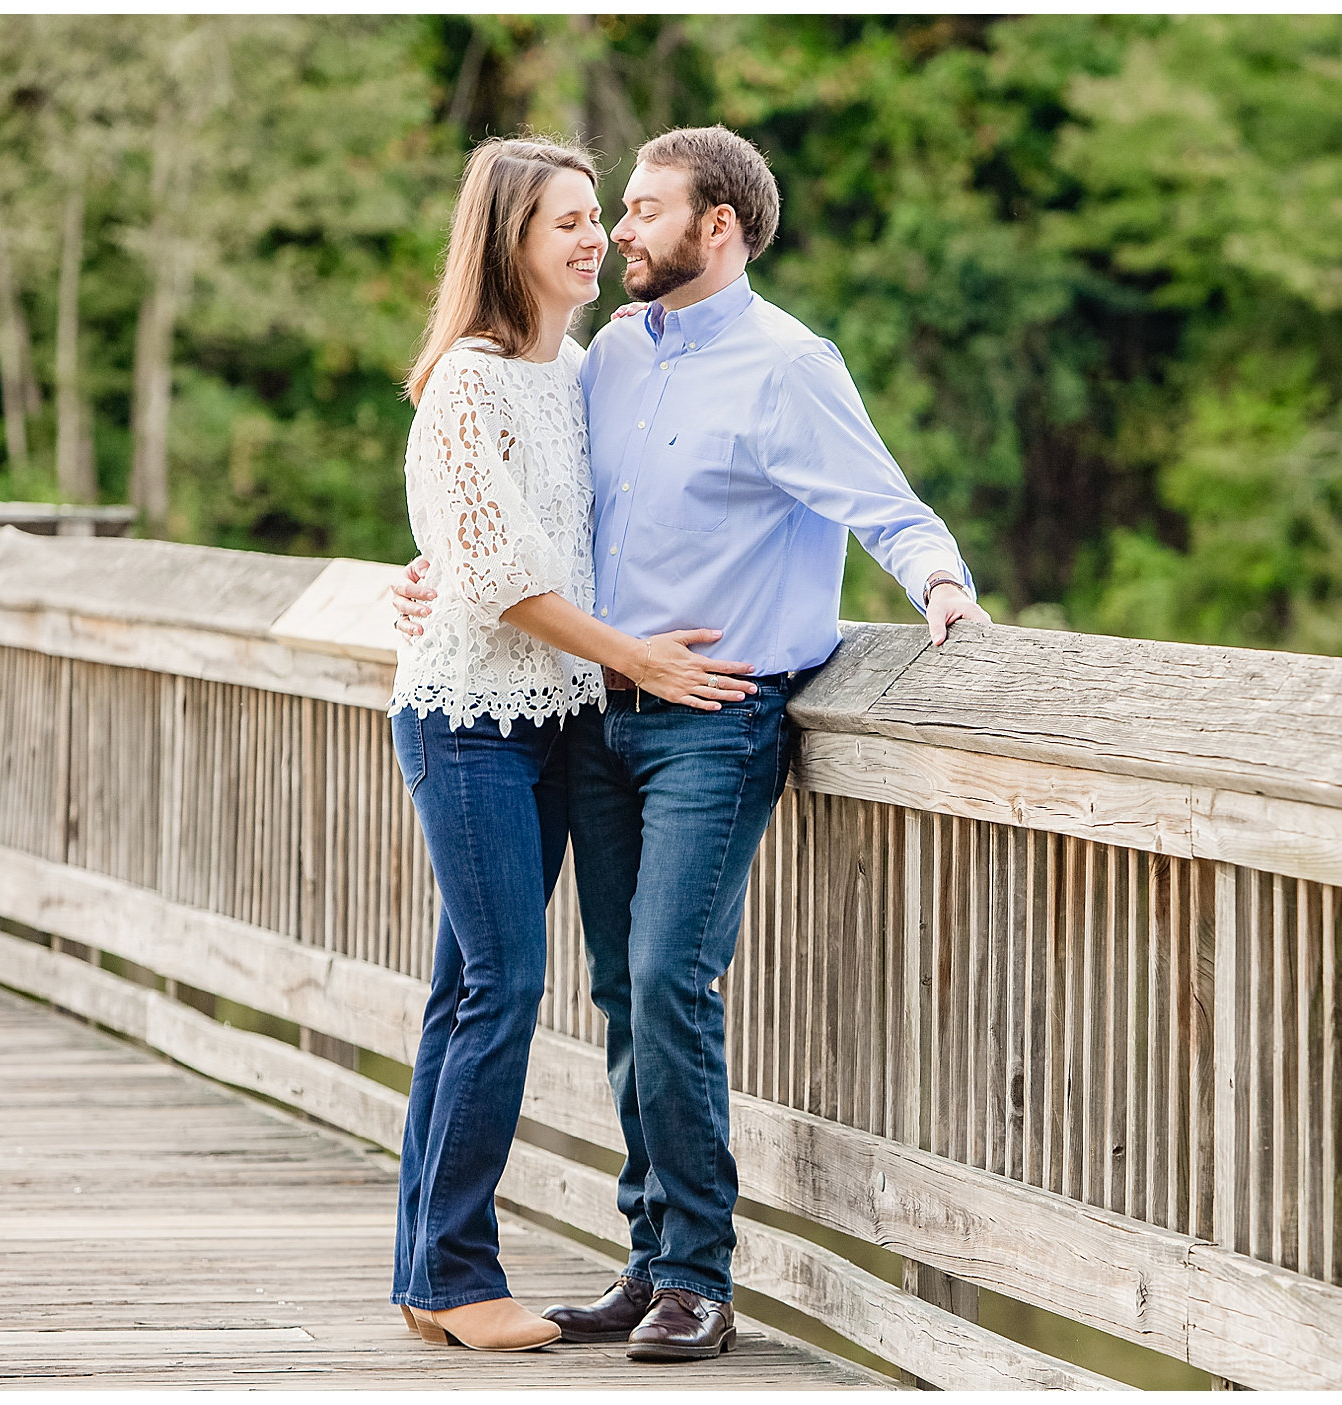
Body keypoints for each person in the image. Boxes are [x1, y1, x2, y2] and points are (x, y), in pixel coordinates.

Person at [394, 124, 988, 1363]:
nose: (618, 229)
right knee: (618, 988)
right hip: (591, 716)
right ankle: (648, 1254)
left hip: (716, 722)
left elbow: (887, 504)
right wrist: (442, 575)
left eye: (642, 209)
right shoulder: (605, 355)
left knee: (668, 979)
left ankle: (701, 1276)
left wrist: (942, 588)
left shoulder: (788, 364)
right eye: (606, 211)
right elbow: (530, 515)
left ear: (716, 227)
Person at [385, 135, 760, 1355]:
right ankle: (455, 1273)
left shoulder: (584, 371)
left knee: (465, 989)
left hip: (554, 724)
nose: (596, 237)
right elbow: (494, 575)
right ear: (509, 242)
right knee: (500, 987)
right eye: (567, 221)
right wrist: (635, 656)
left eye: (600, 216)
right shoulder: (468, 382)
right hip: (468, 720)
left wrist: (458, 578)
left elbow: (564, 536)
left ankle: (425, 1272)